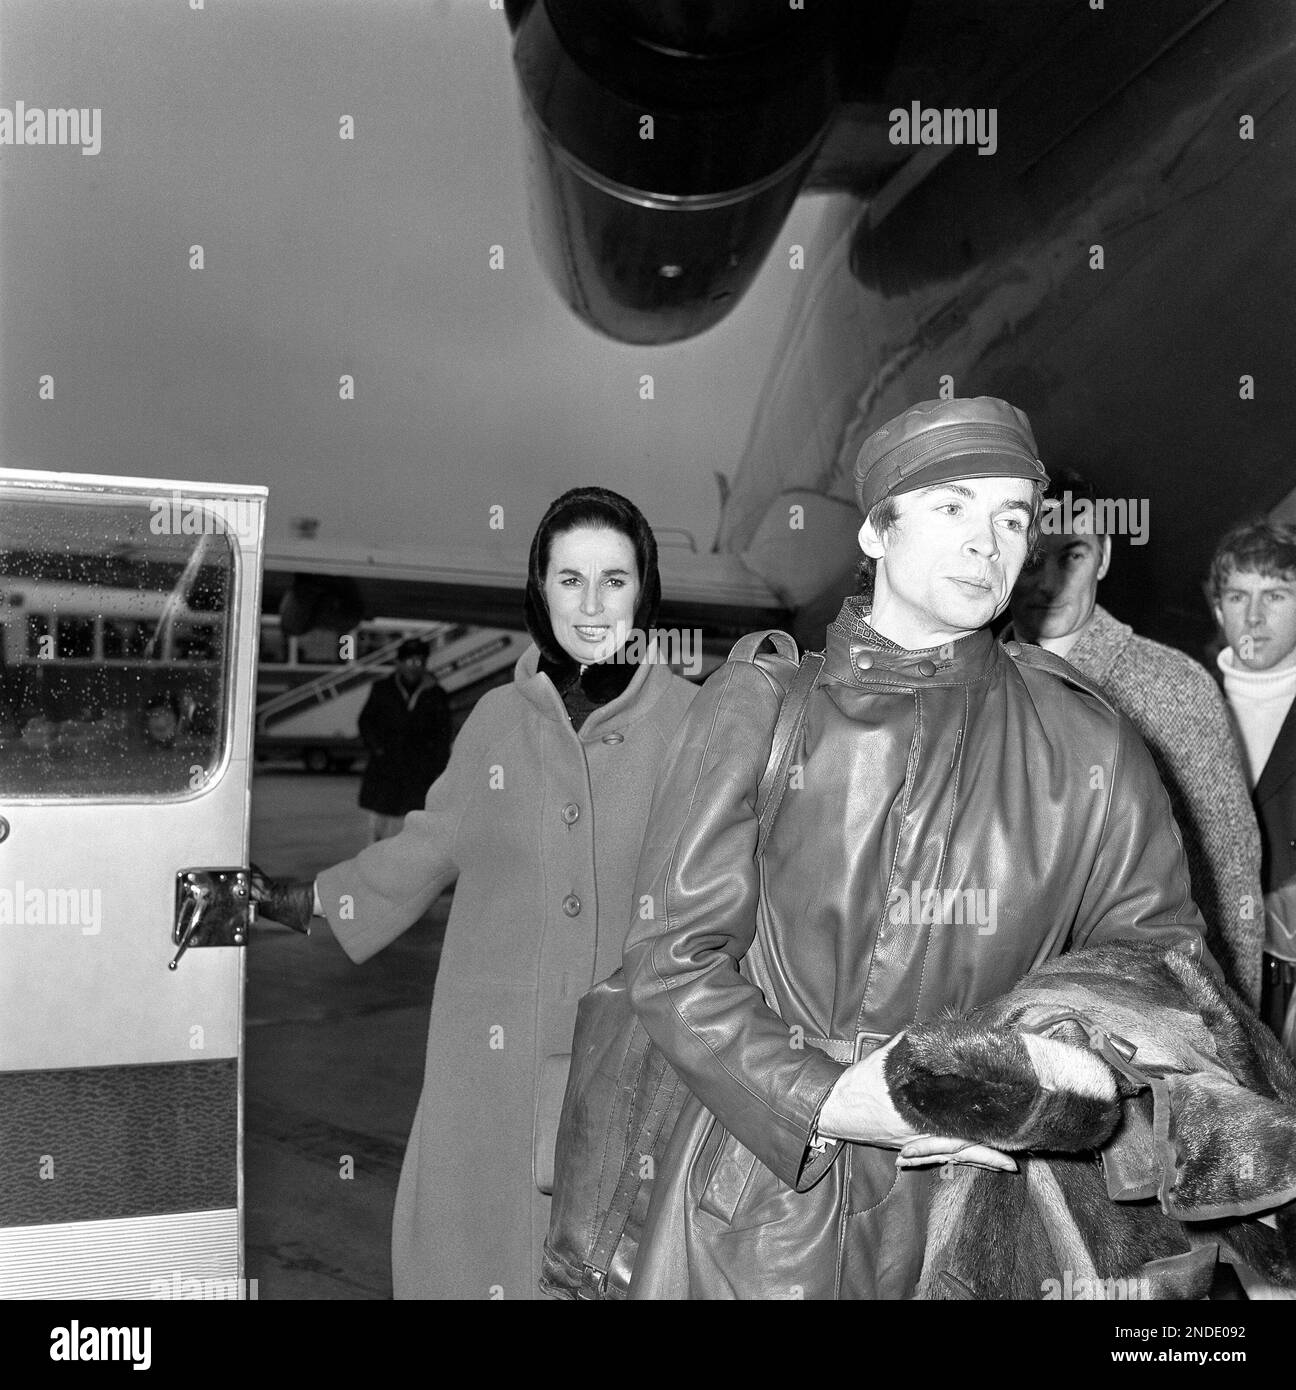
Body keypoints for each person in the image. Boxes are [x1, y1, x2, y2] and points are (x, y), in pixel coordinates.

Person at [620, 397, 1210, 1300]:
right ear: (874, 531)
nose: (988, 542)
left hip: (994, 1219)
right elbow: (672, 961)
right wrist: (825, 1099)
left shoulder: (1095, 746)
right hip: (766, 1209)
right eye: (952, 506)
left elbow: (1161, 969)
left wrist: (1031, 1079)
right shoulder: (761, 707)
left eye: (1012, 517)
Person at [254, 486, 697, 1299]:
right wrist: (306, 900)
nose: (592, 604)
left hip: (632, 1064)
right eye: (570, 580)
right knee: (476, 1259)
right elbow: (427, 846)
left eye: (615, 580)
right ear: (539, 590)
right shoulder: (496, 719)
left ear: (646, 592)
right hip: (488, 1063)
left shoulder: (694, 725)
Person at [1007, 467, 1263, 1003]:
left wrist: (1236, 1033)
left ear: (1103, 555)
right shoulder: (969, 683)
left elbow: (1228, 872)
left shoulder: (1173, 685)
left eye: (1071, 556)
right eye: (1033, 559)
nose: (1048, 584)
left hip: (1139, 1015)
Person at [1209, 518, 1296, 1052]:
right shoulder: (1182, 701)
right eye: (1239, 596)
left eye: (1277, 595)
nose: (1255, 616)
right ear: (1219, 609)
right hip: (1214, 978)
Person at [356, 638, 451, 842]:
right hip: (385, 767)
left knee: (413, 823)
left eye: (419, 662)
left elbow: (444, 732)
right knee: (379, 823)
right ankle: (375, 864)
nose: (414, 667)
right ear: (399, 663)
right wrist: (378, 749)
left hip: (419, 771)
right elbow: (366, 722)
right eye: (409, 661)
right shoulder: (382, 689)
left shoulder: (436, 694)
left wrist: (436, 765)